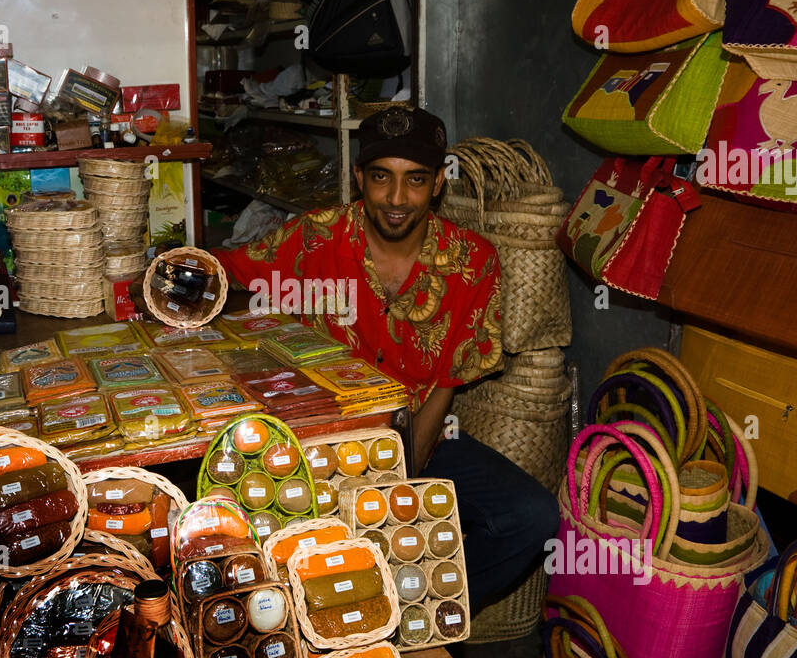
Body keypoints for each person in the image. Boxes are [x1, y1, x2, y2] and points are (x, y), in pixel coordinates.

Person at [215, 106, 559, 609]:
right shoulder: (314, 239)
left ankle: (411, 610)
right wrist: (159, 281)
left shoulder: (473, 263)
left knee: (530, 516)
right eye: (381, 178)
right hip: (314, 444)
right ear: (359, 177)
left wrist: (400, 482)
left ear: (439, 183)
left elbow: (447, 382)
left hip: (417, 436)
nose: (397, 200)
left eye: (415, 180)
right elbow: (228, 274)